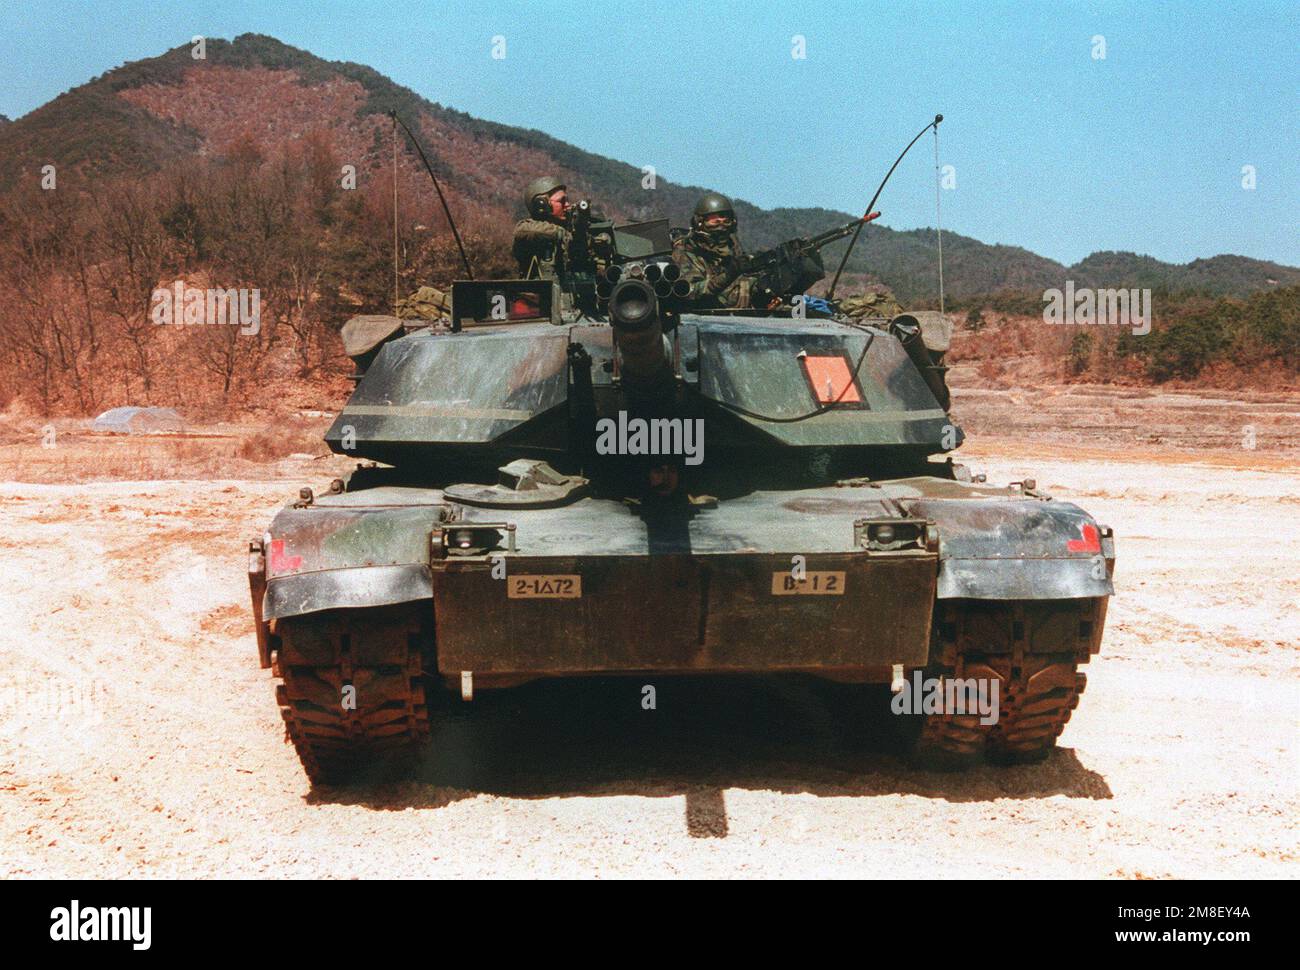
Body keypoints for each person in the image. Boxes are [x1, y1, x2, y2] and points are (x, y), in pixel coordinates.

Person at [671, 192, 751, 309]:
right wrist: (729, 274)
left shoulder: (734, 249)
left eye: (725, 218)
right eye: (715, 220)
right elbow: (689, 291)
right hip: (700, 318)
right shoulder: (686, 252)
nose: (721, 223)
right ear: (700, 222)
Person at [512, 176, 591, 279]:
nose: (567, 204)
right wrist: (562, 234)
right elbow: (522, 231)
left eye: (567, 200)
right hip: (537, 291)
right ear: (542, 204)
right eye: (562, 201)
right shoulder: (527, 228)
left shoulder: (569, 227)